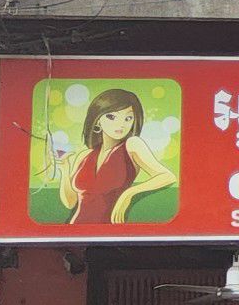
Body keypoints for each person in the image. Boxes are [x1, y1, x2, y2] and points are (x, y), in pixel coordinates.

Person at [61, 88, 176, 224]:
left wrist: (129, 193)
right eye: (111, 116)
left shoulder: (132, 145)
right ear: (97, 120)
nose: (121, 124)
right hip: (77, 229)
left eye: (128, 118)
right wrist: (64, 168)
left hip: (111, 232)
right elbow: (70, 202)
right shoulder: (84, 155)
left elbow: (168, 176)